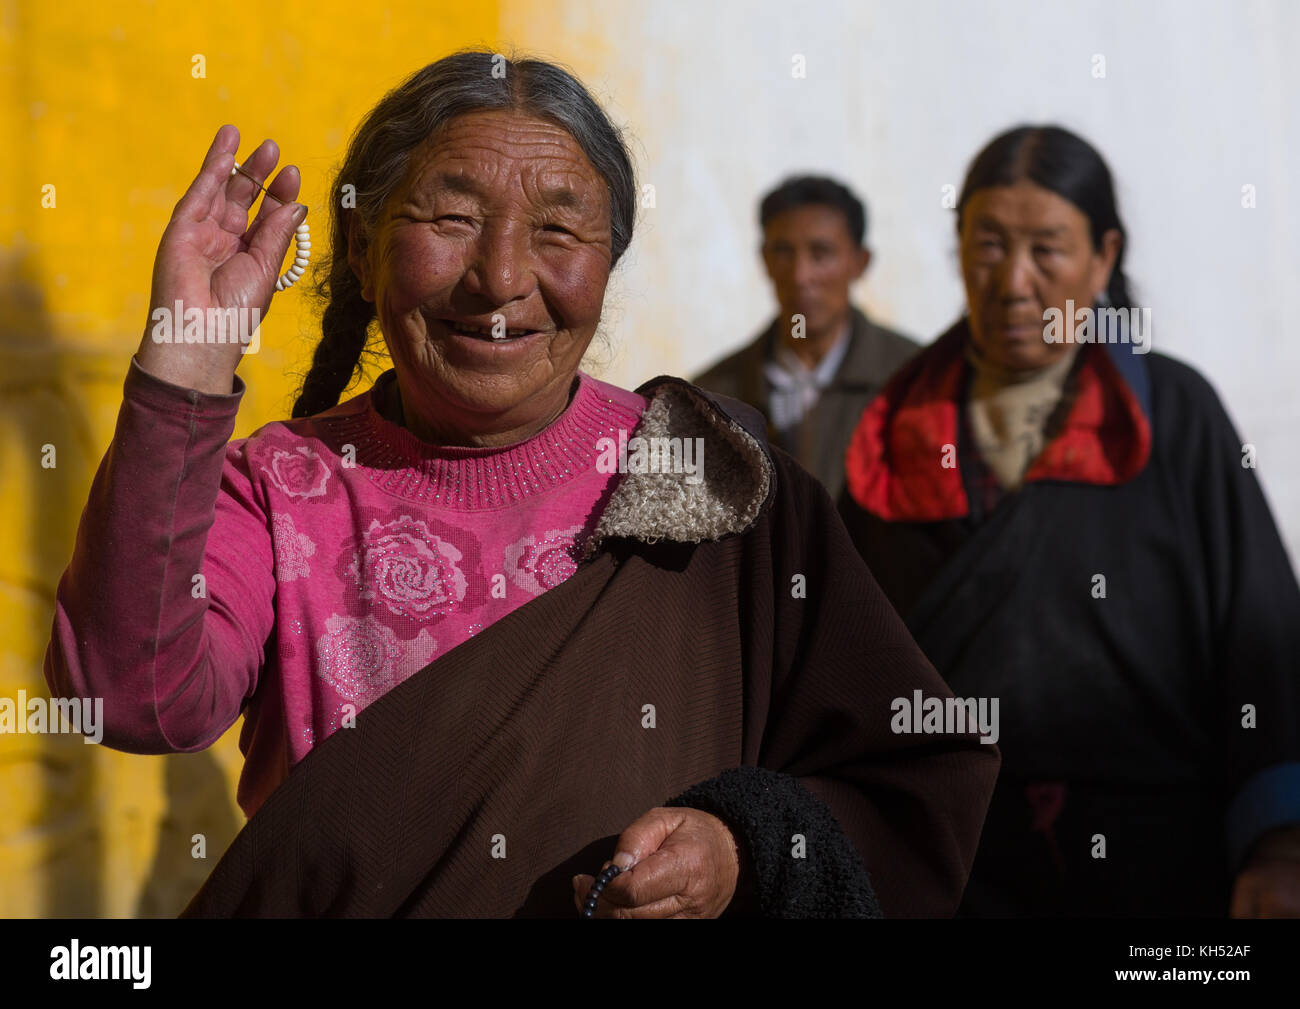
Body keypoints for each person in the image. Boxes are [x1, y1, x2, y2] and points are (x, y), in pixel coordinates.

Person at [43, 51, 998, 918]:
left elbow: (910, 779)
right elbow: (133, 699)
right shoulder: (284, 485)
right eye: (451, 217)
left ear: (609, 261)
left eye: (558, 229)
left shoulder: (710, 482)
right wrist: (190, 352)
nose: (500, 277)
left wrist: (741, 845)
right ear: (368, 248)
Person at [839, 124, 1300, 917]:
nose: (1014, 282)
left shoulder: (1173, 415)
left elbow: (1263, 644)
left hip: (1163, 871)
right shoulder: (898, 426)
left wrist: (1281, 845)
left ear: (1103, 256)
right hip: (953, 869)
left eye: (1046, 248)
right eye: (987, 246)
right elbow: (838, 661)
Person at [693, 176, 917, 501]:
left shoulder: (914, 380)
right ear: (765, 261)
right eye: (784, 252)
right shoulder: (712, 396)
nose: (801, 276)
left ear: (859, 262)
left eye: (821, 253)